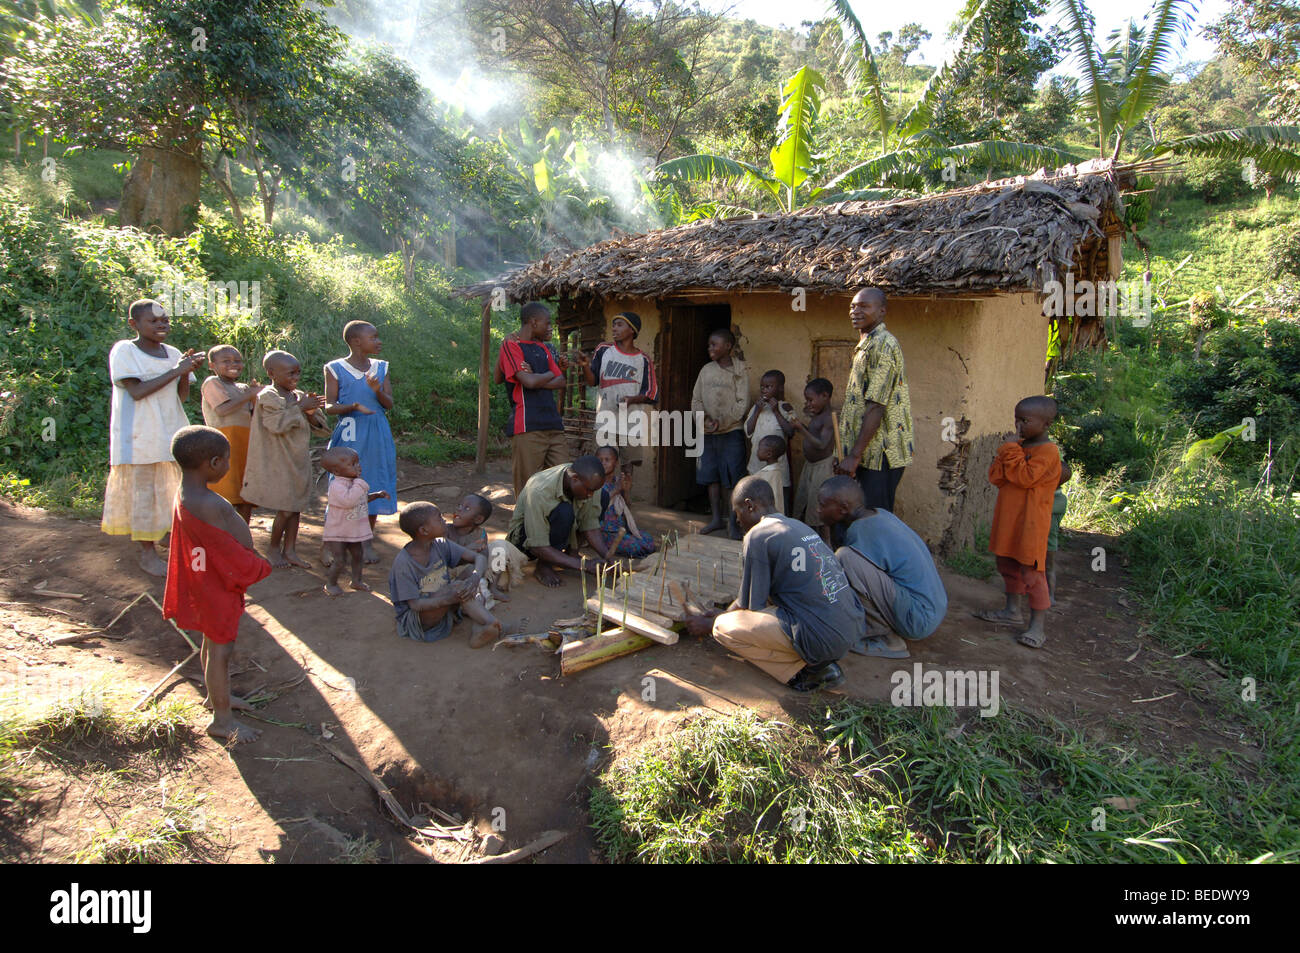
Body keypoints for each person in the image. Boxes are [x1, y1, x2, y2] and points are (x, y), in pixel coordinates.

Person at [683, 476, 865, 692]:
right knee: (747, 611)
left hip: (820, 638)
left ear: (750, 505)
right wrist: (722, 612)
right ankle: (820, 661)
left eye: (737, 512)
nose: (737, 520)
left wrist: (712, 624)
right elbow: (750, 597)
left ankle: (805, 673)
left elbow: (751, 607)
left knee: (724, 629)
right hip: (850, 628)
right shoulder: (798, 526)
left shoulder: (758, 535)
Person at [161, 425, 272, 744]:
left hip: (202, 580)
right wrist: (256, 565)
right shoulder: (210, 503)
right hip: (215, 587)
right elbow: (234, 547)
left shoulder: (185, 492)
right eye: (226, 460)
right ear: (212, 463)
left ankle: (215, 697)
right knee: (221, 650)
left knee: (211, 643)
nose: (227, 465)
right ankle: (222, 720)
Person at [102, 299, 205, 576]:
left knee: (172, 489)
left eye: (165, 321)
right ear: (134, 324)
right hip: (139, 435)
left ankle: (168, 537)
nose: (162, 325)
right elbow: (136, 392)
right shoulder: (124, 350)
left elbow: (180, 397)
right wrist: (177, 370)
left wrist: (186, 372)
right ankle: (147, 554)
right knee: (144, 492)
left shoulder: (172, 353)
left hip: (170, 432)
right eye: (154, 321)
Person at [816, 476, 948, 659]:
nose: (818, 510)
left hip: (918, 619)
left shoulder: (862, 532)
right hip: (933, 608)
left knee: (844, 558)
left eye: (822, 505)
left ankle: (883, 636)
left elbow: (851, 578)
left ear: (843, 509)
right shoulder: (880, 515)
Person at [974, 395, 1063, 648]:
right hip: (1010, 522)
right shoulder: (1020, 448)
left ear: (1046, 424)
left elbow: (1025, 477)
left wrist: (1010, 450)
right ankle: (1012, 611)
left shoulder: (1048, 452)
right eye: (1016, 420)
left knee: (1032, 573)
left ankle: (1037, 627)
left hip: (1031, 527)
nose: (1018, 426)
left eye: (1025, 421)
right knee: (1007, 565)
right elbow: (997, 478)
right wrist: (1008, 452)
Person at [241, 350, 331, 569]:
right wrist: (300, 407)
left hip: (299, 460)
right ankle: (273, 548)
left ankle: (290, 549)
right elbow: (276, 425)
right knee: (286, 507)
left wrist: (310, 412)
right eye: (290, 373)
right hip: (278, 462)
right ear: (272, 373)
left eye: (298, 373)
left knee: (296, 506)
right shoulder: (268, 396)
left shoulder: (298, 395)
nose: (295, 378)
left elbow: (322, 429)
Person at [323, 321, 398, 565]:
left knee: (371, 482)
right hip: (350, 435)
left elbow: (389, 404)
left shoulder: (381, 367)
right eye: (373, 337)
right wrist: (353, 406)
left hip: (377, 433)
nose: (379, 341)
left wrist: (376, 390)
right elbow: (329, 405)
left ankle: (365, 542)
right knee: (342, 485)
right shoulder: (334, 368)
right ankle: (332, 544)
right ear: (356, 342)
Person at [835, 288, 914, 512]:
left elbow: (876, 406)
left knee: (874, 518)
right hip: (864, 454)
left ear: (881, 311)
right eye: (852, 306)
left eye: (864, 306)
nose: (855, 311)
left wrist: (854, 455)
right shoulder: (866, 344)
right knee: (856, 513)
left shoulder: (884, 345)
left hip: (880, 453)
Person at [388, 501, 502, 648]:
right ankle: (494, 625)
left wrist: (475, 577)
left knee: (468, 572)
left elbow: (478, 558)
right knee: (457, 587)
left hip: (441, 600)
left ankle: (482, 626)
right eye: (439, 518)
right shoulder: (403, 564)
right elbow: (415, 605)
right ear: (424, 530)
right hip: (418, 620)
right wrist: (449, 599)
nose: (444, 520)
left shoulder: (440, 543)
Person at [505, 455, 615, 588]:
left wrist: (608, 556)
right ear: (574, 479)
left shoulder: (587, 480)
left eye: (593, 491)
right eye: (589, 490)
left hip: (556, 530)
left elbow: (590, 525)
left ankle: (572, 554)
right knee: (564, 511)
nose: (591, 495)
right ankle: (544, 565)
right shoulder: (539, 491)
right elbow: (537, 546)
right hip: (525, 541)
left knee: (602, 496)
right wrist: (583, 566)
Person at [497, 302, 569, 496]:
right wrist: (545, 375)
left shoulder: (543, 348)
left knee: (564, 479)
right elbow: (527, 381)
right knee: (528, 489)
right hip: (528, 425)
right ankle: (525, 527)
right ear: (533, 321)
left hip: (553, 424)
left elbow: (561, 380)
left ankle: (552, 524)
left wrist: (537, 377)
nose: (549, 327)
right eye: (547, 323)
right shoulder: (511, 345)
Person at [578, 312, 658, 479]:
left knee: (627, 465)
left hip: (630, 420)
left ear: (632, 330)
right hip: (605, 418)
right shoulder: (604, 350)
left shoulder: (643, 359)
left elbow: (651, 393)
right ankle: (606, 498)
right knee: (604, 461)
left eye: (619, 325)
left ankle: (624, 498)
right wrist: (585, 366)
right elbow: (592, 381)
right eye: (613, 324)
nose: (614, 328)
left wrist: (631, 400)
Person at [691, 328, 749, 538]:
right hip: (708, 432)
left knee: (733, 477)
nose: (710, 348)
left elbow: (743, 402)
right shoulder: (706, 370)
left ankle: (733, 521)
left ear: (728, 347)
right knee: (710, 476)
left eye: (714, 344)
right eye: (709, 345)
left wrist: (723, 421)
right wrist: (705, 420)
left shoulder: (740, 370)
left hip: (731, 431)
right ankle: (716, 518)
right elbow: (696, 400)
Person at [200, 345, 262, 523]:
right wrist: (249, 394)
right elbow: (222, 409)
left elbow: (254, 415)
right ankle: (221, 540)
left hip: (245, 445)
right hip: (223, 445)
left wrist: (254, 396)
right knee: (225, 494)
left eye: (237, 361)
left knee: (245, 496)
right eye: (226, 361)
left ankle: (242, 539)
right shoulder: (212, 382)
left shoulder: (242, 387)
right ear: (212, 365)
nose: (233, 364)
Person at [320, 447, 390, 596]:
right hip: (338, 532)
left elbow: (360, 499)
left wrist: (376, 496)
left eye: (357, 463)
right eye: (352, 464)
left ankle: (356, 581)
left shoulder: (353, 483)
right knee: (340, 560)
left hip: (353, 530)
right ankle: (330, 584)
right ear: (337, 471)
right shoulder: (337, 486)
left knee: (358, 555)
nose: (358, 466)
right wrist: (360, 484)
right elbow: (349, 501)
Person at [446, 492, 526, 602]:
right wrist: (467, 550)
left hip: (478, 568)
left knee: (499, 548)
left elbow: (483, 556)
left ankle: (493, 587)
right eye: (459, 506)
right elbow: (443, 558)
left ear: (478, 519)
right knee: (470, 572)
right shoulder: (446, 531)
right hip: (454, 571)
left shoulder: (480, 534)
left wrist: (479, 567)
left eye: (467, 508)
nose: (459, 510)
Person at [745, 369, 796, 514]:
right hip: (757, 464)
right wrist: (756, 411)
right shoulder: (757, 408)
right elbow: (748, 431)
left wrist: (776, 411)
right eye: (762, 386)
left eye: (769, 387)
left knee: (779, 499)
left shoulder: (786, 407)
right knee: (754, 498)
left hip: (778, 467)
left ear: (779, 388)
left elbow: (791, 432)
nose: (764, 390)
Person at [791, 378, 836, 542]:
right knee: (804, 502)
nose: (808, 404)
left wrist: (801, 429)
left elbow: (822, 444)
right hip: (810, 466)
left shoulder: (829, 418)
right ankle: (808, 541)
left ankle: (826, 545)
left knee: (818, 508)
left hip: (822, 467)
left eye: (811, 400)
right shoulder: (817, 415)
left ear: (825, 396)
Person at [595, 446, 657, 558]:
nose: (603, 463)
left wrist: (626, 491)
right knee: (635, 547)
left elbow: (626, 506)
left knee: (647, 539)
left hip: (621, 530)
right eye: (599, 460)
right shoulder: (594, 483)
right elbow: (595, 506)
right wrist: (616, 490)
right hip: (603, 532)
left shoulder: (618, 481)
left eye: (607, 460)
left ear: (617, 463)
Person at [1046, 460, 1072, 604]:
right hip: (1037, 538)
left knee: (1049, 568)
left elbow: (1042, 508)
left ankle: (1050, 595)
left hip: (1049, 540)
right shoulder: (1055, 497)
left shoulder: (1060, 500)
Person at [753, 435, 787, 515]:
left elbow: (776, 499)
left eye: (759, 449)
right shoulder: (769, 471)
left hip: (770, 517)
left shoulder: (773, 474)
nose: (757, 451)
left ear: (769, 454)